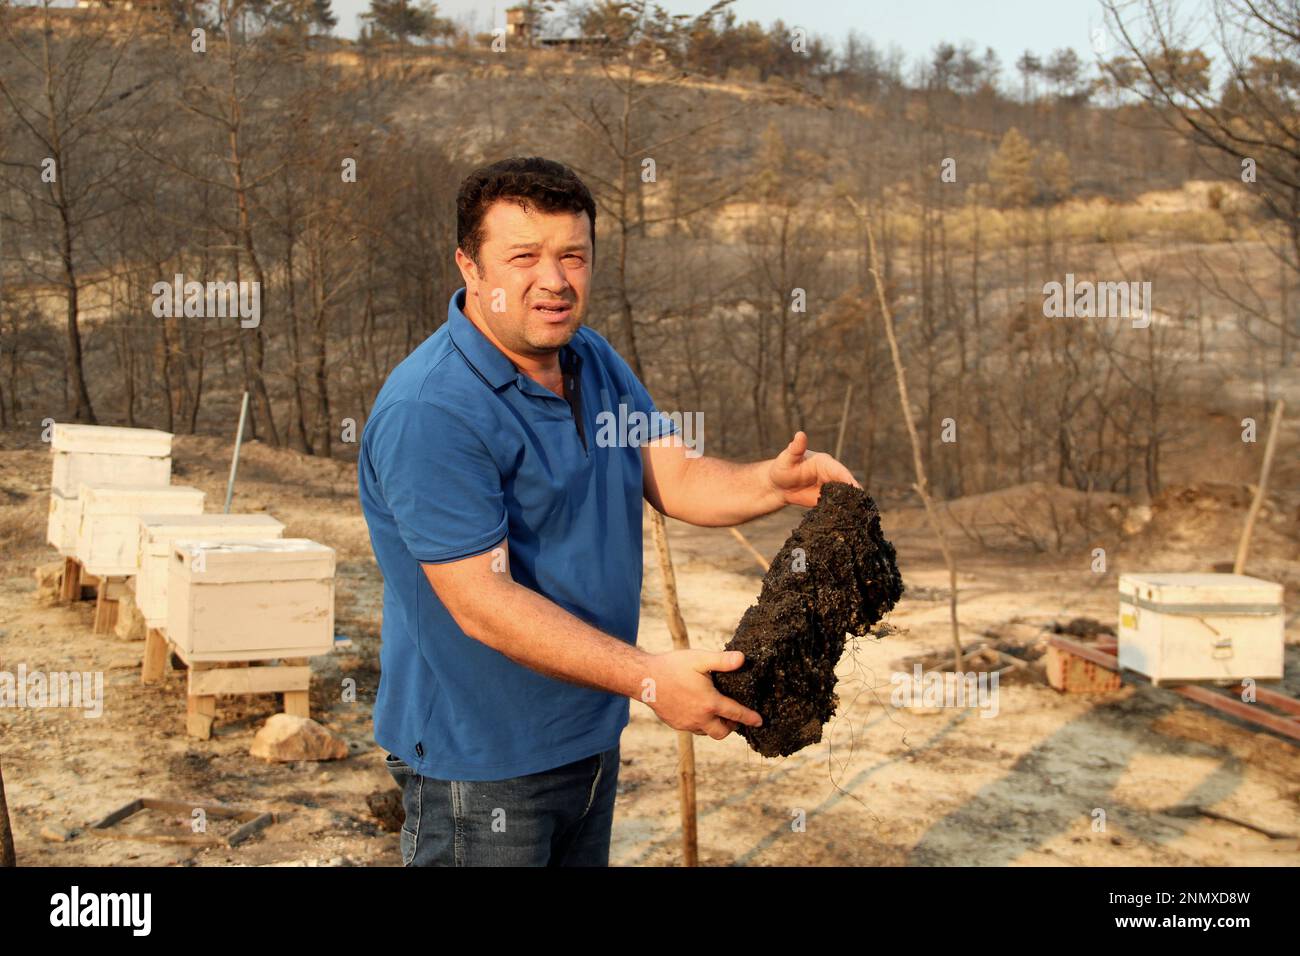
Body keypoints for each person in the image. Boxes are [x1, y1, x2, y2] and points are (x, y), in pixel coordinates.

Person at [358, 156, 858, 867]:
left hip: (589, 731)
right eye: (524, 257)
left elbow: (674, 476)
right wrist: (650, 679)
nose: (555, 280)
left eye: (573, 256)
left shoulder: (590, 359)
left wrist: (772, 484)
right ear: (471, 267)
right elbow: (481, 602)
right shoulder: (432, 410)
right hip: (481, 762)